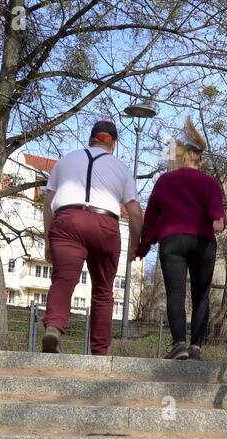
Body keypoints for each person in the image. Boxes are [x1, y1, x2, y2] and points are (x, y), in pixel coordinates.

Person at [41, 119, 143, 355]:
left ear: (91, 138)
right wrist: (135, 246)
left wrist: (48, 240)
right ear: (113, 144)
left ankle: (54, 328)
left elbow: (48, 204)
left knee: (63, 280)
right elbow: (136, 214)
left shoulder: (64, 161)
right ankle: (99, 353)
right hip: (105, 225)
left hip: (67, 222)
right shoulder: (121, 167)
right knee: (103, 292)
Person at [135, 117, 226, 361]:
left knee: (175, 293)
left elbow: (151, 217)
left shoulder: (165, 181)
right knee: (201, 295)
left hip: (172, 241)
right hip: (203, 241)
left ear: (181, 158)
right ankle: (196, 347)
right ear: (200, 161)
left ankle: (179, 345)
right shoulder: (210, 183)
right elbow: (216, 208)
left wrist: (143, 247)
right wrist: (218, 219)